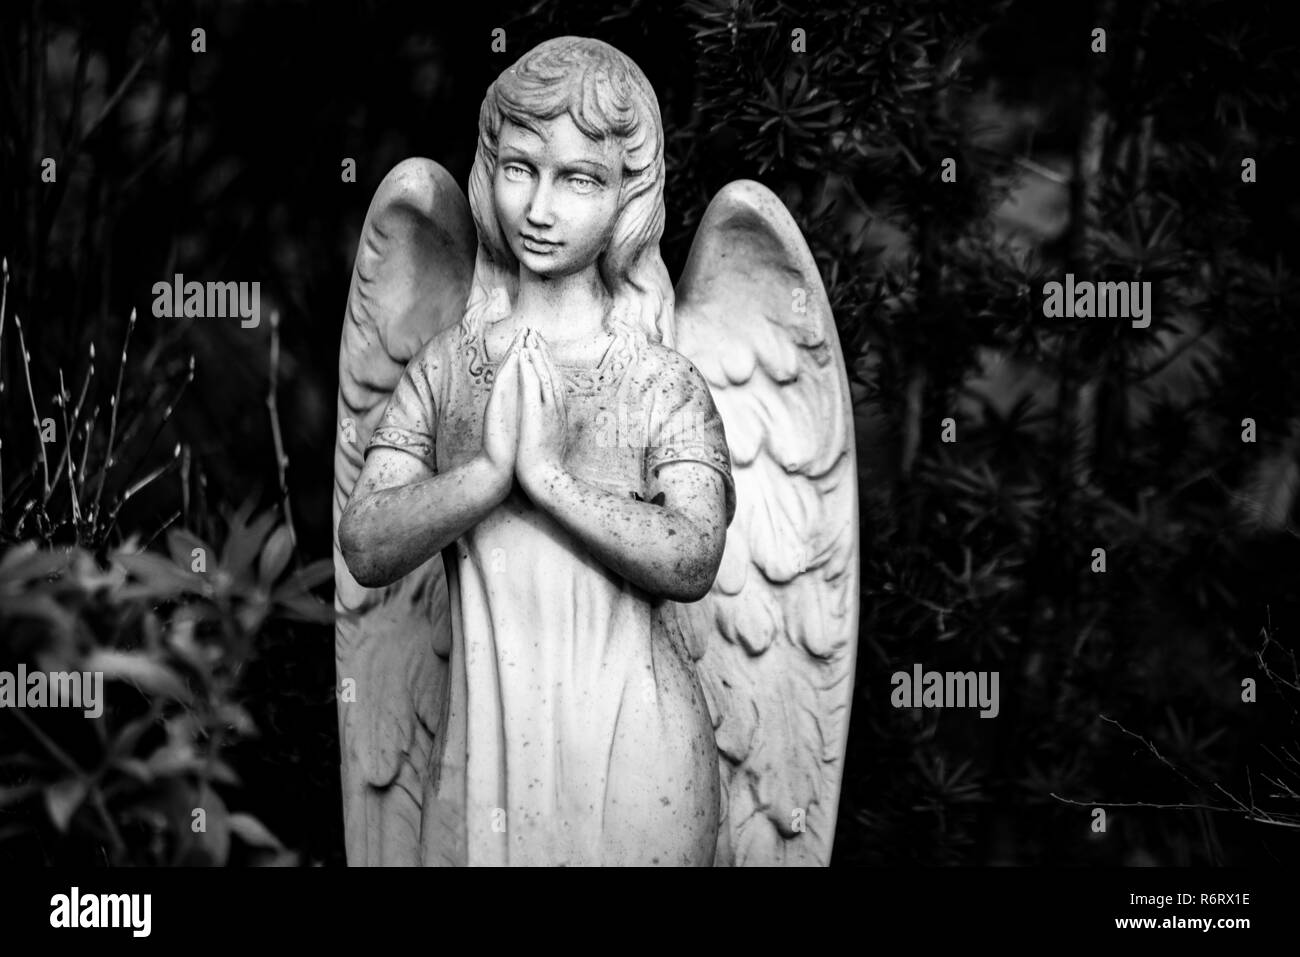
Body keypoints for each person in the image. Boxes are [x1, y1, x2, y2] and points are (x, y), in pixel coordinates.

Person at [338, 37, 736, 866]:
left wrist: (549, 480)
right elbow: (367, 540)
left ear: (629, 195)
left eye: (578, 178)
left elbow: (694, 554)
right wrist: (484, 478)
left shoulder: (661, 380)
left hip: (637, 756)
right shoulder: (448, 366)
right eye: (520, 168)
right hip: (483, 750)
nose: (539, 206)